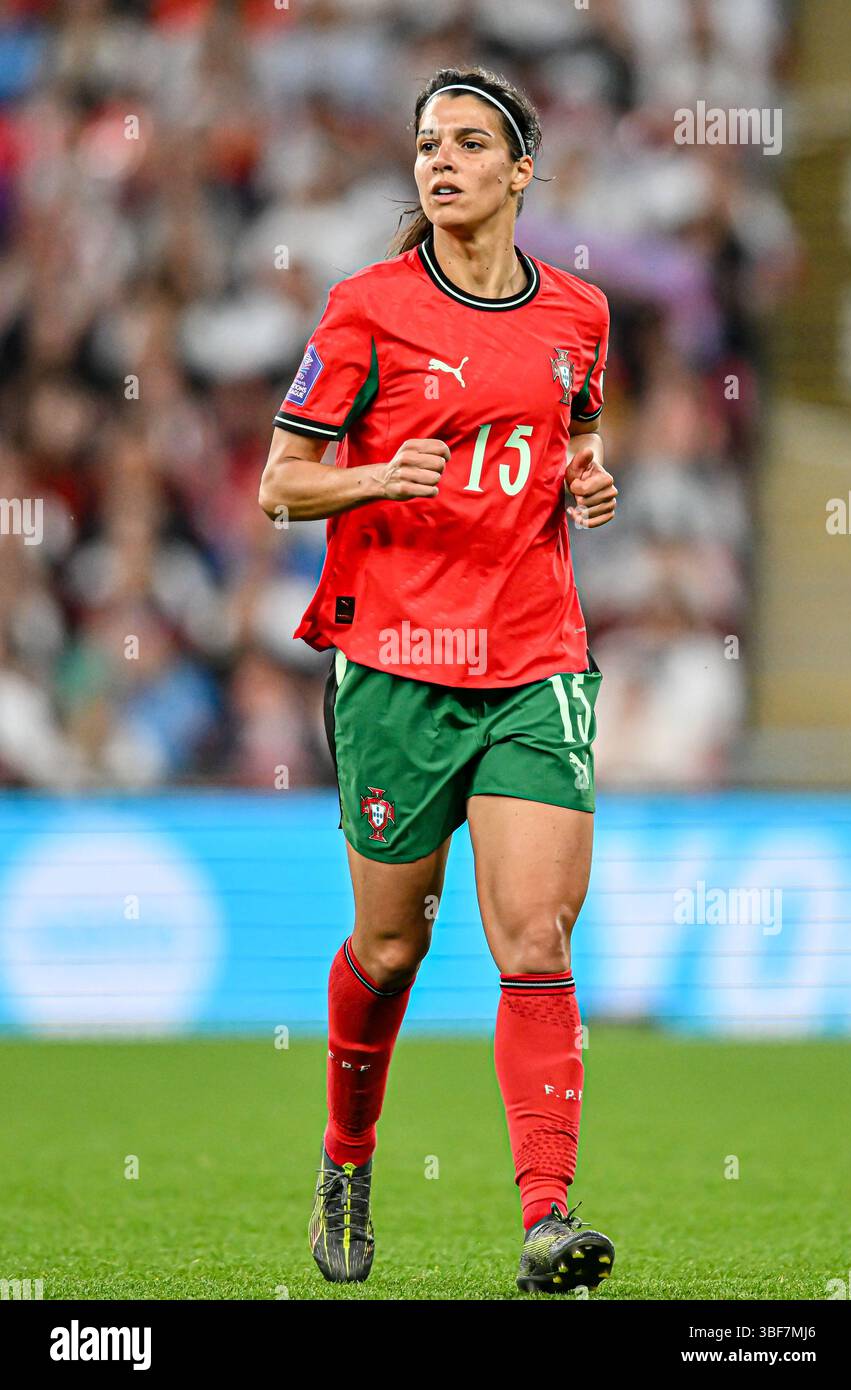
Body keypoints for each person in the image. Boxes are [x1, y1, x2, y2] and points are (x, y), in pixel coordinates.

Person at [258, 65, 618, 1295]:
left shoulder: (579, 312)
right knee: (391, 945)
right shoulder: (367, 309)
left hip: (533, 656)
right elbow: (279, 482)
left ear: (521, 170)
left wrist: (587, 475)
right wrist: (374, 477)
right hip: (396, 666)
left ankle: (546, 1217)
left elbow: (571, 428)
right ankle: (347, 1157)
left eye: (469, 143)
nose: (441, 160)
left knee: (532, 934)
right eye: (425, 145)